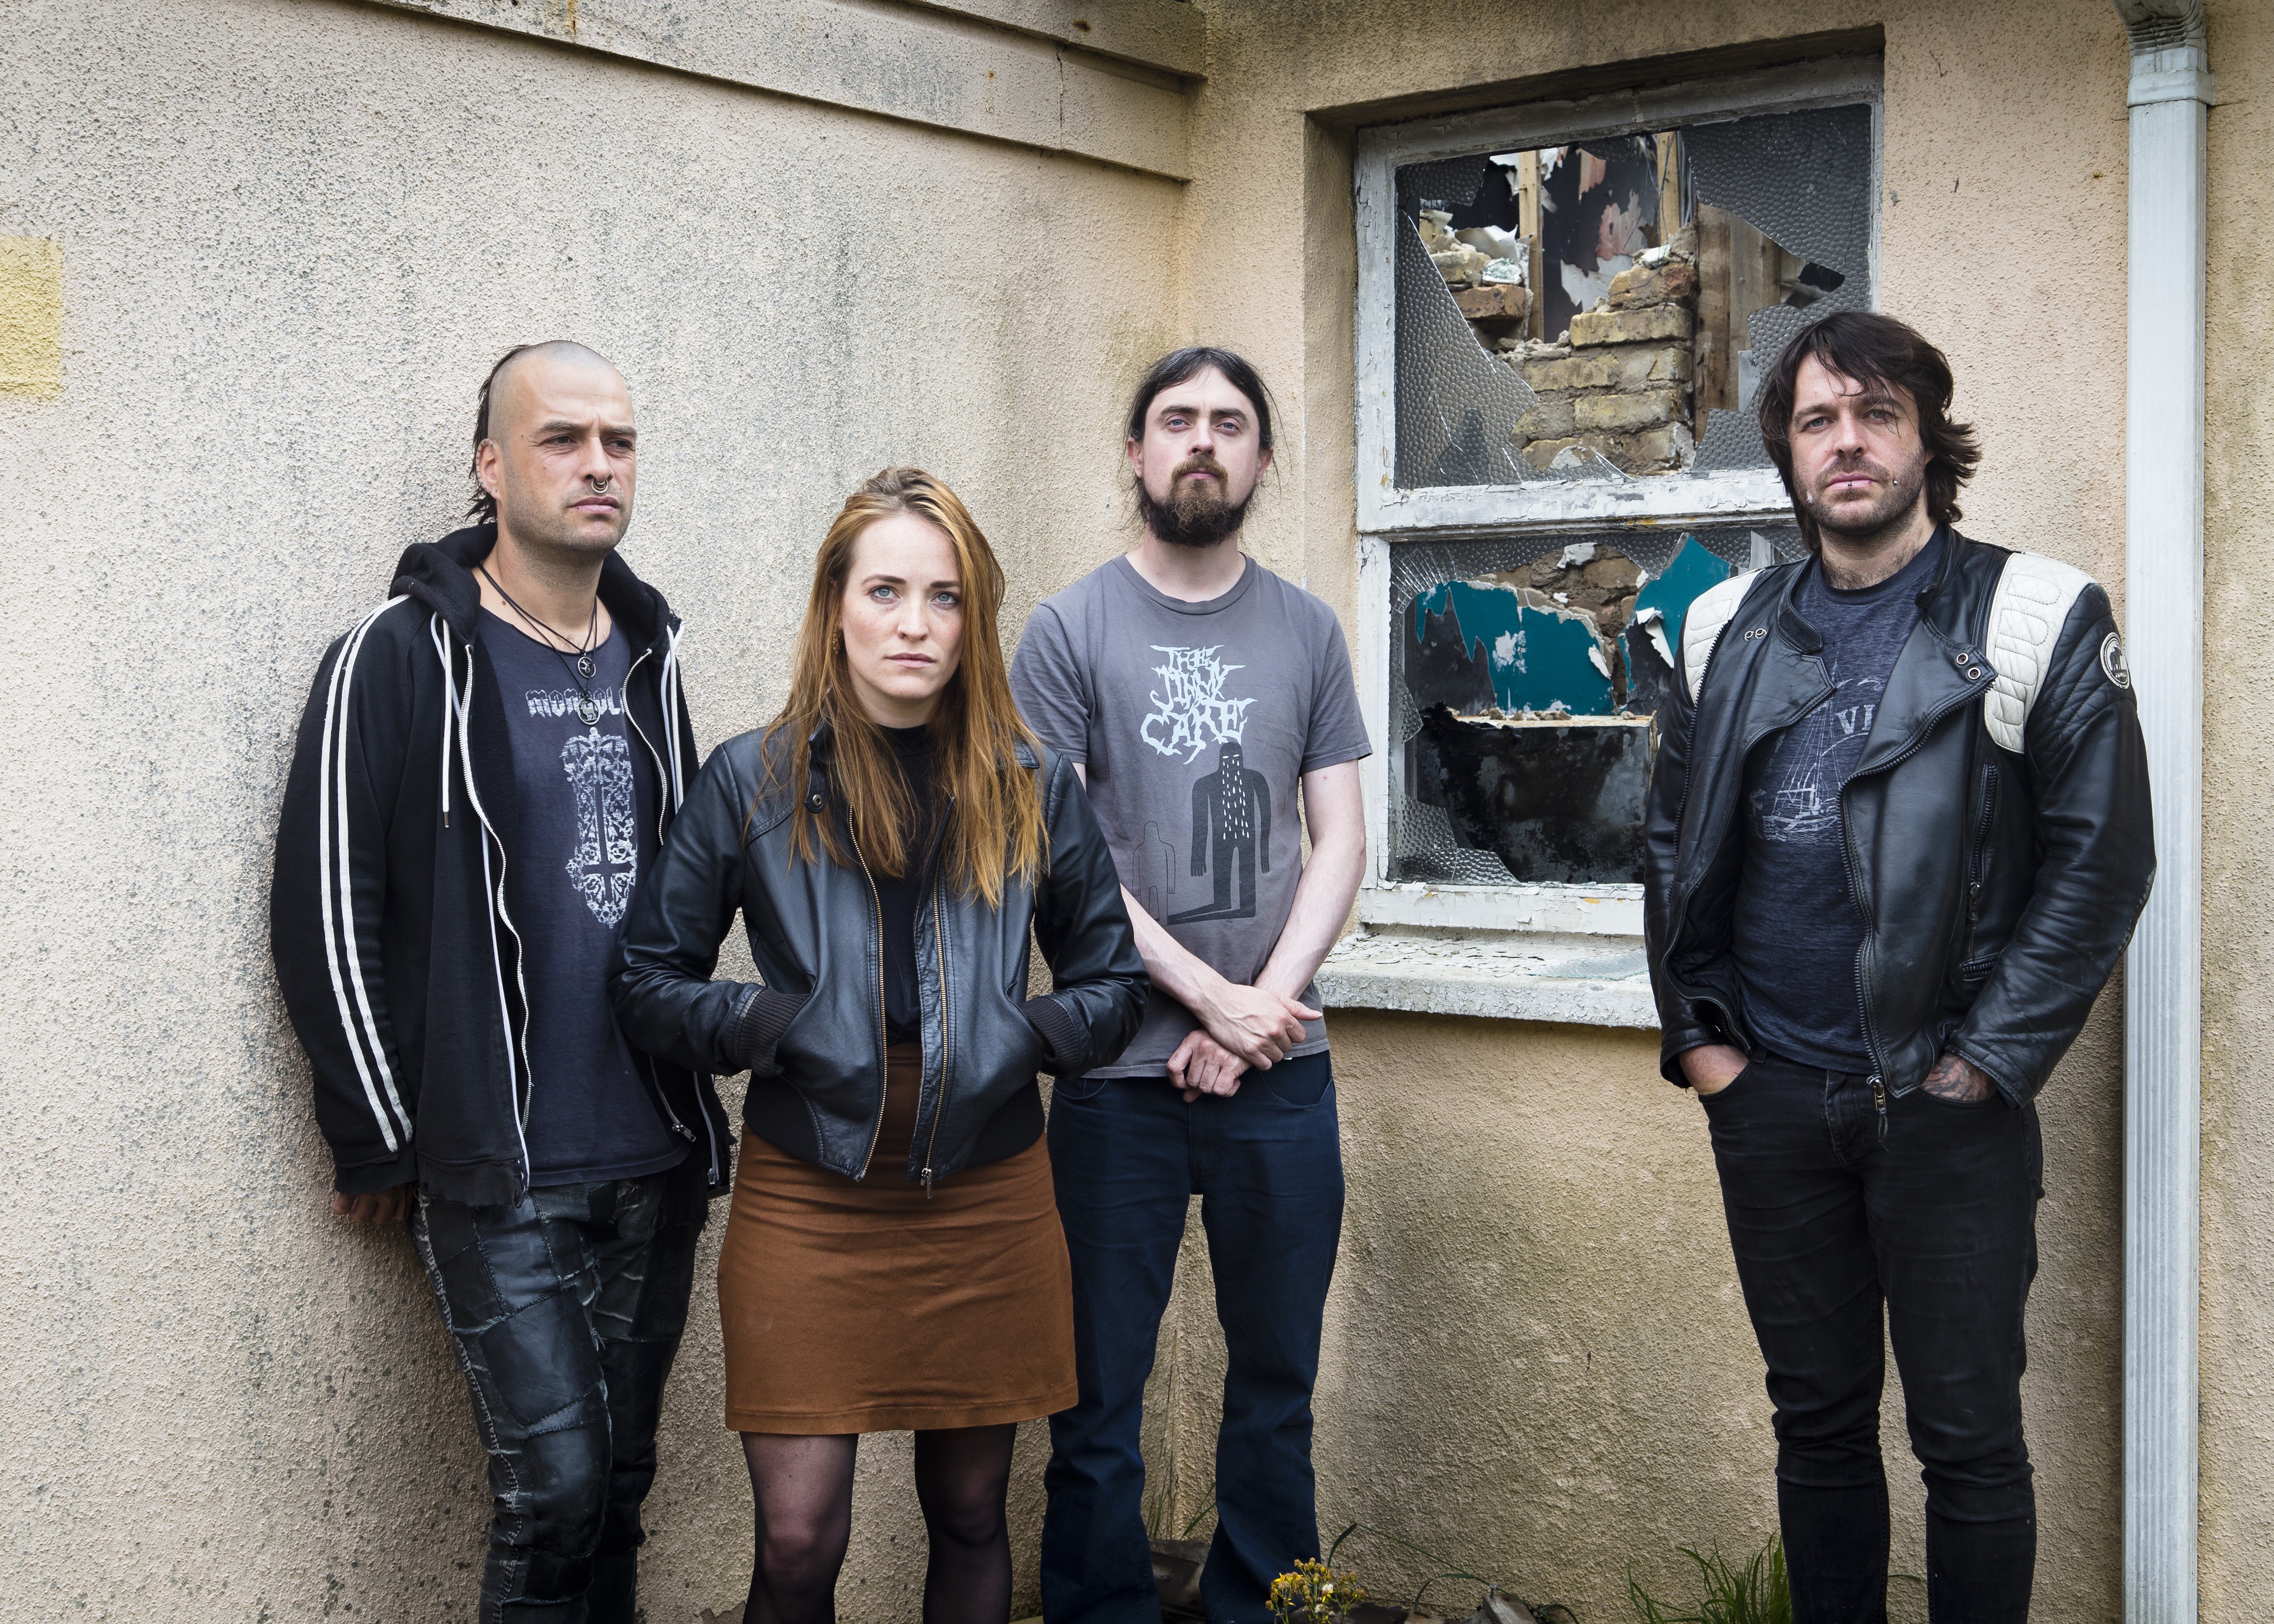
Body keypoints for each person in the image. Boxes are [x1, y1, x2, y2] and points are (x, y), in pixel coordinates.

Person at [1642, 310, 2155, 1622]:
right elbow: (1671, 841)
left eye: (1876, 416)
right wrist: (1704, 1043)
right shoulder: (1724, 628)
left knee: (1969, 1441)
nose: (1848, 444)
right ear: (1788, 452)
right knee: (1816, 1429)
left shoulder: (2034, 613)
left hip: (1944, 1108)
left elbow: (2103, 865)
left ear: (1927, 439)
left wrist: (1983, 1065)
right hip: (1772, 1098)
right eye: (1818, 421)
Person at [608, 467, 1146, 1624]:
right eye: (887, 591)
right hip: (809, 1195)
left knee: (969, 1516)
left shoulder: (1033, 782)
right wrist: (766, 1023)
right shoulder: (752, 780)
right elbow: (646, 983)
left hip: (989, 1193)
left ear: (975, 619)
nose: (915, 625)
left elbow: (1115, 981)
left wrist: (1031, 1033)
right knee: (800, 1542)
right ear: (835, 605)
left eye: (945, 598)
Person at [270, 341, 725, 1623]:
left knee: (624, 1485)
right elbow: (324, 899)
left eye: (618, 442)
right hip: (498, 1164)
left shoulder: (652, 652)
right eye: (561, 439)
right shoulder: (402, 653)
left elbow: (684, 896)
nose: (597, 465)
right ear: (490, 466)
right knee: (558, 1493)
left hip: (654, 1151)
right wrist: (379, 1131)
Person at [1011, 347, 1371, 1623]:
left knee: (1279, 1384)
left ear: (1265, 459)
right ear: (1135, 451)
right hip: (1118, 1074)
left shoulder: (1309, 628)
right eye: (1177, 420)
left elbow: (1342, 840)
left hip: (1282, 1077)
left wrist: (1261, 1008)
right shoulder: (1065, 632)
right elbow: (1065, 868)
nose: (1202, 441)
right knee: (1095, 1396)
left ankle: (1275, 1609)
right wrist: (1211, 1003)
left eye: (1230, 423)